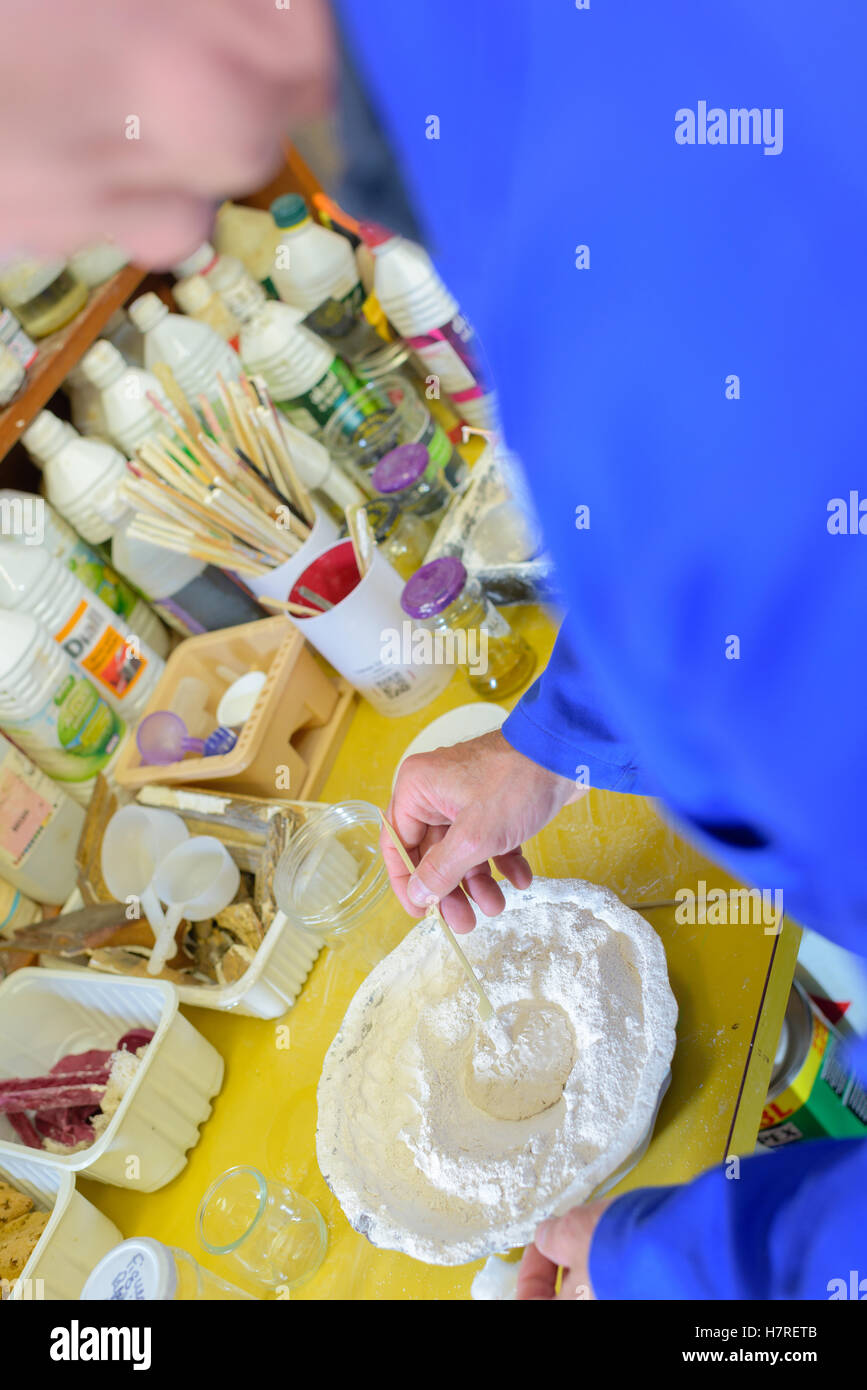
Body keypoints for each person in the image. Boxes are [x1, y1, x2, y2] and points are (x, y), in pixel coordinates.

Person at [1, 0, 864, 1300]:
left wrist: (684, 1266)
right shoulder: (545, 109)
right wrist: (551, 746)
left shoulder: (649, 221)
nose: (166, 235)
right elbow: (734, 569)